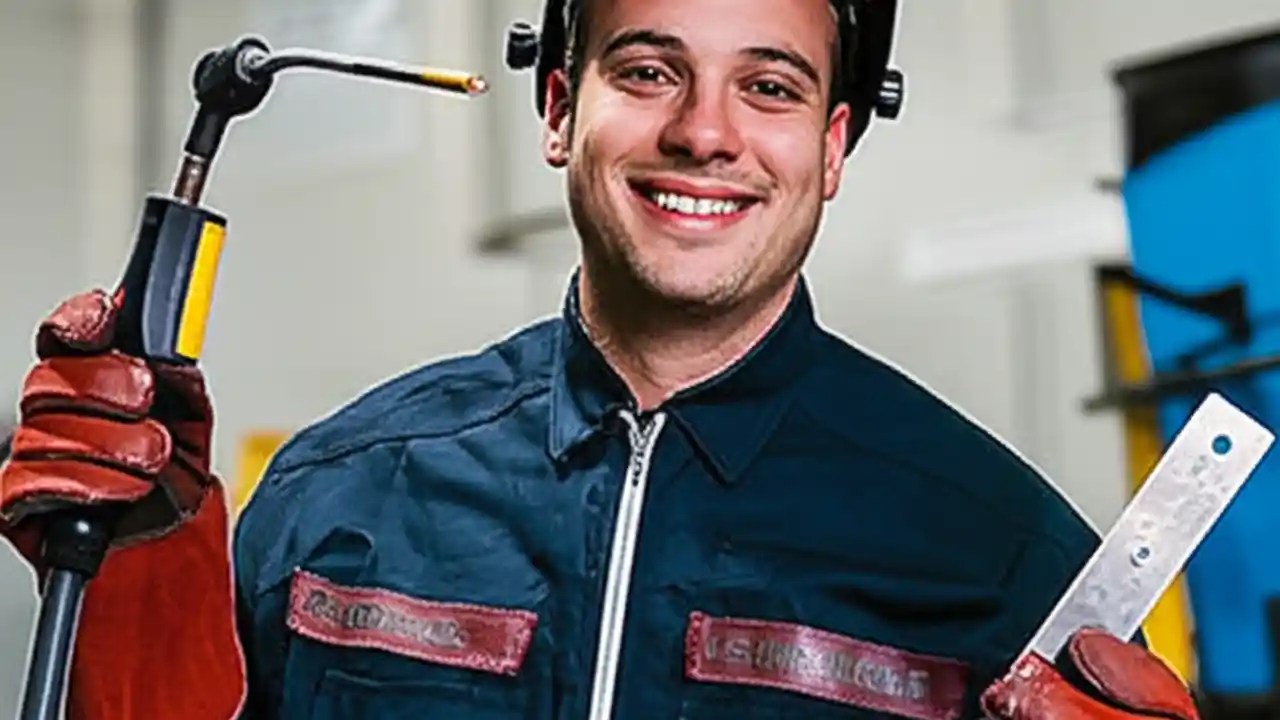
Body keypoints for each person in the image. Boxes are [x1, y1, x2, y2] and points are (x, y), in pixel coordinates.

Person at [0, 0, 1201, 718]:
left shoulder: (1006, 558)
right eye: (646, 69)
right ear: (558, 107)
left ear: (833, 145)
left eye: (769, 87)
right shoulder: (337, 493)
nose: (703, 132)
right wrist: (132, 608)